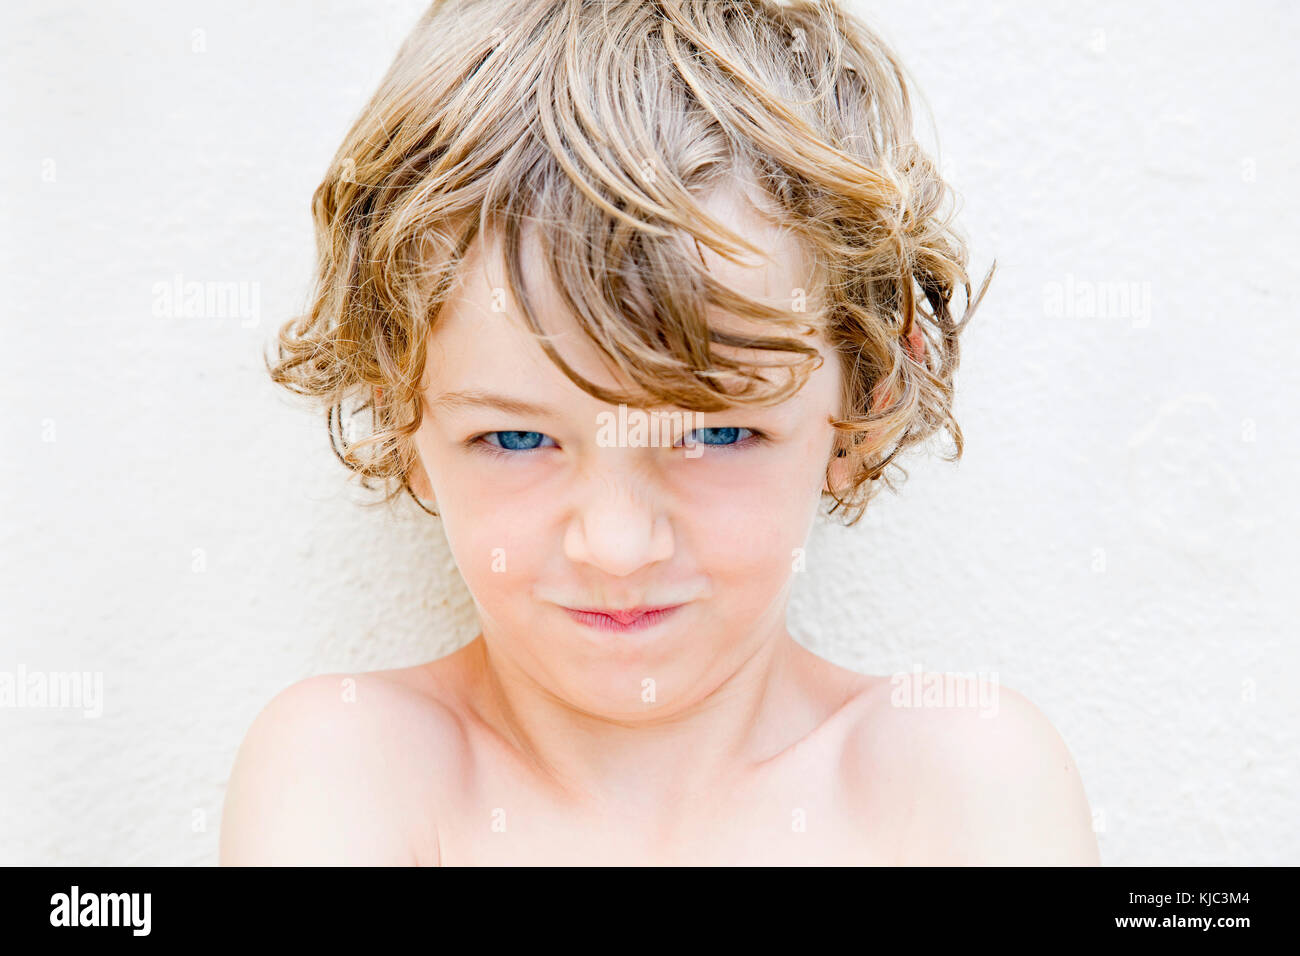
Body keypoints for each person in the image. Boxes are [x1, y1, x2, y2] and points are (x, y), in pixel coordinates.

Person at [221, 0, 1098, 865]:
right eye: (518, 441)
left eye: (716, 436)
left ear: (867, 401)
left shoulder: (958, 779)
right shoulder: (353, 766)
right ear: (400, 415)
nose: (617, 546)